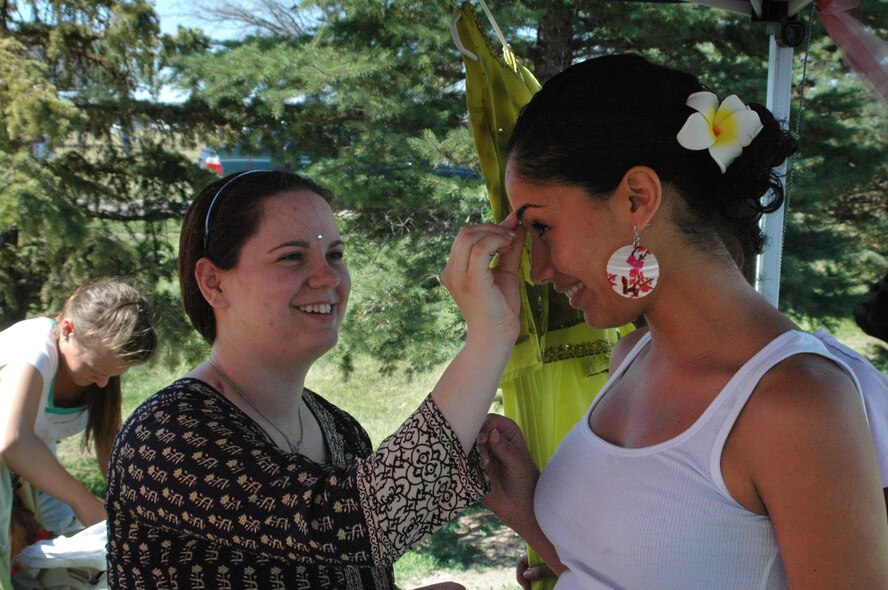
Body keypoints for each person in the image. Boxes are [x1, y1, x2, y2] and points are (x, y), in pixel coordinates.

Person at [477, 53, 888, 589]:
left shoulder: (796, 403)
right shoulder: (632, 358)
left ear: (637, 199)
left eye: (542, 227)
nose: (537, 269)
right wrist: (527, 508)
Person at [104, 169, 525, 589]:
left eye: (335, 255)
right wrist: (490, 338)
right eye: (291, 256)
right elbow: (358, 523)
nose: (328, 278)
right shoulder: (167, 436)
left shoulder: (338, 430)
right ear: (213, 282)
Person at [0, 279, 157, 589]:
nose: (101, 384)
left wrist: (134, 514)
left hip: (29, 470)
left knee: (61, 559)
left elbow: (109, 447)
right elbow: (13, 440)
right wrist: (82, 500)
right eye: (95, 369)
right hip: (14, 465)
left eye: (111, 375)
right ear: (68, 330)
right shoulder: (32, 350)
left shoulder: (100, 369)